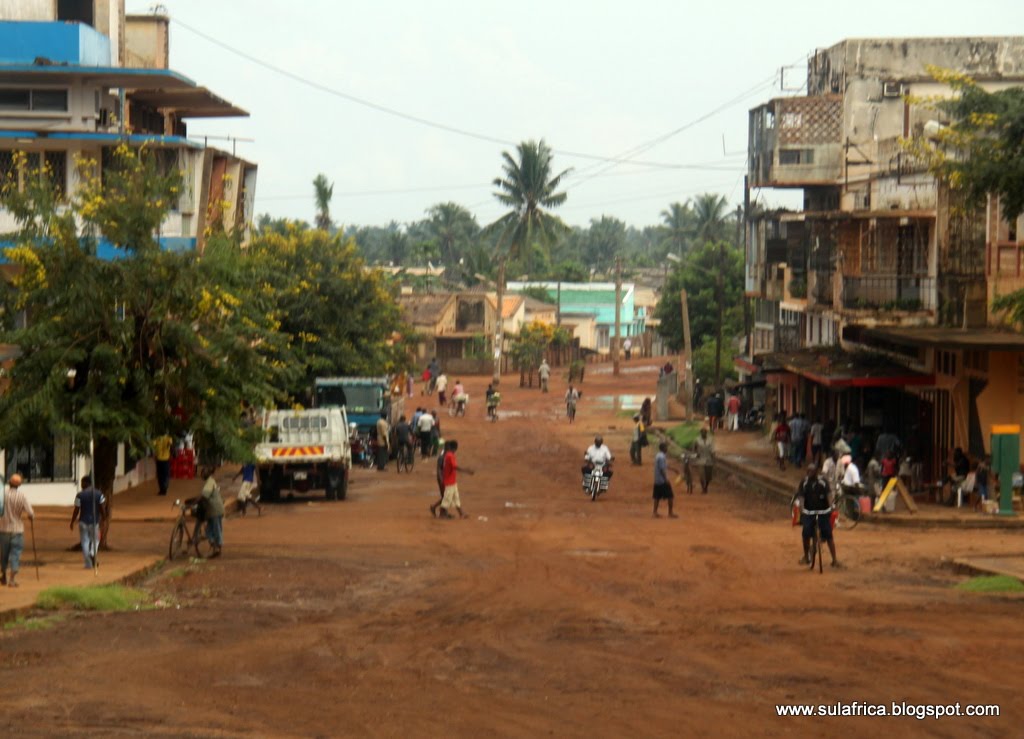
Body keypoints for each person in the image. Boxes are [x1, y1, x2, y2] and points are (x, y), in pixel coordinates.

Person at [795, 464, 841, 569]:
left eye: (812, 471)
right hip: (809, 512)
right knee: (805, 533)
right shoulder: (804, 482)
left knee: (829, 535)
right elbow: (801, 496)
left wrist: (831, 506)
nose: (810, 473)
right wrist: (802, 507)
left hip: (823, 512)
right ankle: (806, 556)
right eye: (808, 471)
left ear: (816, 472)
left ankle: (834, 560)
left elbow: (829, 495)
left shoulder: (823, 482)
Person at [0, 474, 33, 587]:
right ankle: (12, 579)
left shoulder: (2, 495)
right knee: (15, 554)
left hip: (3, 529)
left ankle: (3, 574)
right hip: (17, 529)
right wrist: (30, 517)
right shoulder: (22, 496)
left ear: (9, 483)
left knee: (3, 554)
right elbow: (31, 513)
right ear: (19, 485)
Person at [70, 475, 106, 569]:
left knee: (85, 542)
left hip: (83, 522)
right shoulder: (99, 494)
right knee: (96, 540)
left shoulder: (80, 495)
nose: (81, 485)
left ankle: (88, 564)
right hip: (94, 522)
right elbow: (102, 508)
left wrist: (72, 521)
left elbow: (76, 509)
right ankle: (92, 553)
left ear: (87, 483)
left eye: (82, 482)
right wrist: (104, 518)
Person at [433, 439, 473, 519]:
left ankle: (461, 513)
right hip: (449, 481)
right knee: (447, 498)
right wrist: (466, 470)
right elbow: (454, 467)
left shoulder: (447, 455)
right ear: (455, 448)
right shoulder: (450, 456)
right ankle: (441, 514)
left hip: (451, 481)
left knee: (455, 497)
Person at [200, 466, 224, 558]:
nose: (202, 475)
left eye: (203, 473)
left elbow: (204, 496)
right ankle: (215, 546)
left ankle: (217, 547)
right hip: (214, 509)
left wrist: (195, 501)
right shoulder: (211, 481)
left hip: (215, 509)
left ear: (207, 474)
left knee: (215, 529)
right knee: (209, 531)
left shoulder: (209, 483)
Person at [652, 441, 678, 518]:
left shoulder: (658, 455)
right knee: (670, 496)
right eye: (666, 447)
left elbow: (665, 466)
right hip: (662, 480)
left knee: (657, 497)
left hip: (657, 480)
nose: (667, 449)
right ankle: (670, 513)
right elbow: (662, 469)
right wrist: (665, 479)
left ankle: (654, 512)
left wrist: (674, 469)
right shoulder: (662, 457)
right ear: (663, 448)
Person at [692, 428, 715, 493]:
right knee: (701, 474)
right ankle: (703, 488)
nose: (703, 434)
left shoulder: (710, 440)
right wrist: (696, 454)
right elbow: (694, 449)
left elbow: (713, 450)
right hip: (700, 458)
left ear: (706, 433)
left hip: (708, 458)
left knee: (708, 475)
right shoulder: (697, 440)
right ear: (700, 433)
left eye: (705, 433)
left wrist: (714, 459)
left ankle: (706, 486)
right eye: (702, 433)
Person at [153, 432, 174, 496]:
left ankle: (162, 489)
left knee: (161, 475)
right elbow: (170, 445)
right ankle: (164, 488)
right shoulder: (168, 438)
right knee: (165, 475)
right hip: (165, 459)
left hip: (160, 459)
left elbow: (153, 446)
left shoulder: (157, 438)